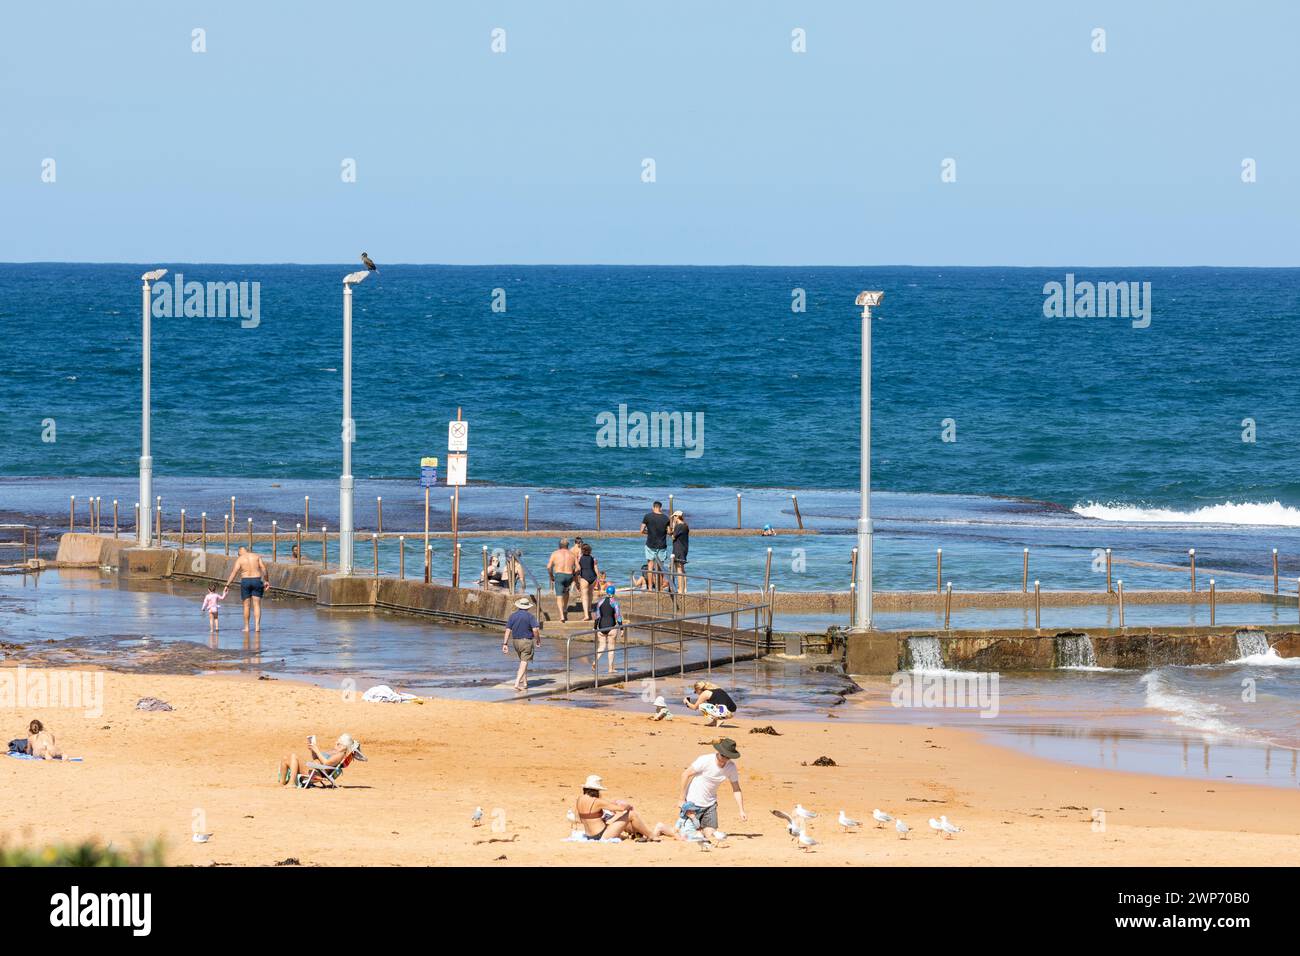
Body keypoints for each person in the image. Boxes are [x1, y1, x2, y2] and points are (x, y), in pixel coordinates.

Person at [680, 738, 747, 835]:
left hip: (710, 805)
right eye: (722, 755)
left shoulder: (731, 767)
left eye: (728, 757)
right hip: (693, 803)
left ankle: (699, 829)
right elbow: (685, 774)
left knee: (710, 834)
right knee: (685, 834)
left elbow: (736, 789)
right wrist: (682, 799)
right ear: (718, 751)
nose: (724, 759)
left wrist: (741, 810)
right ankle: (662, 828)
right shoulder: (705, 760)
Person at [574, 774, 658, 841]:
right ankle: (651, 835)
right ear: (596, 790)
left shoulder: (579, 799)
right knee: (631, 814)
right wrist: (628, 806)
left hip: (589, 836)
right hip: (601, 835)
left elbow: (578, 819)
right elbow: (621, 809)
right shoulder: (597, 801)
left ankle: (637, 835)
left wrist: (595, 820)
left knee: (613, 822)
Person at [277, 733, 366, 787]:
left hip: (316, 773)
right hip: (312, 767)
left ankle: (292, 783)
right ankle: (282, 782)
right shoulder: (334, 751)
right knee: (285, 758)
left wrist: (317, 750)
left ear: (345, 747)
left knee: (294, 756)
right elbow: (316, 758)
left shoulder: (340, 755)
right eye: (338, 742)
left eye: (340, 743)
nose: (337, 743)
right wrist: (313, 750)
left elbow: (327, 763)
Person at [222, 546, 271, 633]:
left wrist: (227, 585)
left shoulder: (240, 559)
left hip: (246, 581)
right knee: (257, 605)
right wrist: (266, 580)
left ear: (240, 552)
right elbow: (264, 568)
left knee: (246, 606)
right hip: (257, 580)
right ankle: (257, 627)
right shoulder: (256, 556)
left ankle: (247, 627)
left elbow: (234, 572)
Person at [502, 597, 542, 691]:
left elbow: (508, 630)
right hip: (526, 641)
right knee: (524, 662)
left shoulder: (513, 616)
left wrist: (505, 644)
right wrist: (538, 640)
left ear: (519, 606)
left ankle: (525, 682)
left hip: (515, 642)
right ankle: (517, 683)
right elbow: (535, 630)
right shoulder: (530, 616)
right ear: (528, 607)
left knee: (522, 661)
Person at [591, 584, 622, 674]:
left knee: (601, 647)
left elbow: (597, 616)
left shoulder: (600, 602)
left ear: (606, 592)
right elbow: (618, 616)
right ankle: (610, 669)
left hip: (600, 628)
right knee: (611, 649)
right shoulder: (614, 602)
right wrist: (621, 628)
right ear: (613, 593)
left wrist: (594, 628)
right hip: (611, 627)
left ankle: (595, 661)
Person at [546, 539, 579, 622]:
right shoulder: (572, 554)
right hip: (569, 575)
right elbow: (578, 568)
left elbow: (549, 567)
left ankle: (562, 616)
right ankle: (565, 608)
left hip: (559, 575)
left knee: (559, 596)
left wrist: (551, 576)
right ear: (567, 546)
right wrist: (574, 575)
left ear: (559, 545)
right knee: (566, 591)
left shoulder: (555, 553)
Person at [640, 501, 671, 590]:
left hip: (650, 544)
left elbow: (641, 530)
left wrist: (648, 532)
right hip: (662, 545)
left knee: (650, 567)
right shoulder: (666, 518)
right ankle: (660, 588)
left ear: (653, 507)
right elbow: (669, 532)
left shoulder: (647, 516)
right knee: (660, 568)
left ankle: (650, 587)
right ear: (660, 508)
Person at [576, 543, 600, 620]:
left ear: (582, 550)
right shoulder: (593, 558)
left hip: (584, 577)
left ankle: (586, 615)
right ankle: (589, 608)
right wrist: (598, 579)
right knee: (590, 593)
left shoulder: (579, 558)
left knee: (584, 596)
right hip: (593, 577)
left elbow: (578, 568)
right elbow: (596, 569)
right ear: (590, 550)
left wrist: (576, 577)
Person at [669, 510, 689, 594]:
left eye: (674, 517)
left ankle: (680, 589)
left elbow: (673, 537)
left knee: (679, 569)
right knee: (682, 569)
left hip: (678, 549)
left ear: (677, 516)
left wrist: (673, 526)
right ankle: (685, 588)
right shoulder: (685, 525)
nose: (673, 518)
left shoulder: (679, 526)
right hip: (684, 549)